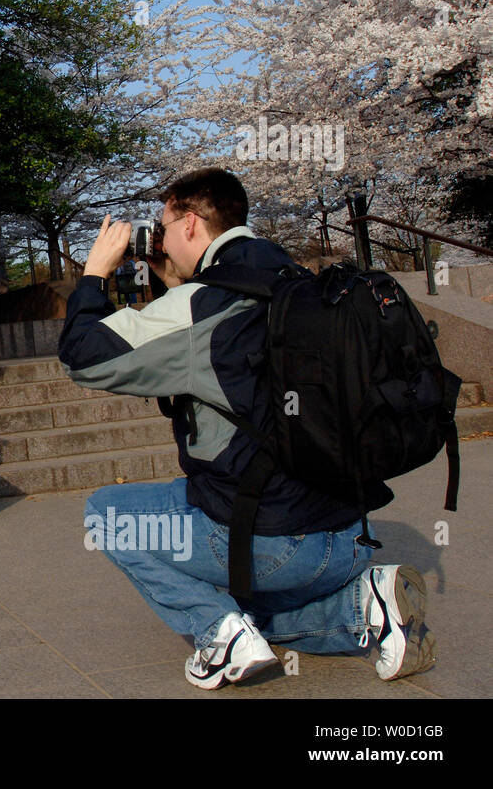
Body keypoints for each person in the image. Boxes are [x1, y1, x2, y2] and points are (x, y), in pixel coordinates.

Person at [58, 167, 434, 689]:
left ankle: (219, 635)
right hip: (347, 533)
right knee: (253, 612)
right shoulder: (295, 280)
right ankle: (362, 603)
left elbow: (84, 357)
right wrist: (179, 285)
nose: (158, 240)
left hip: (271, 545)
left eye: (163, 228)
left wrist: (95, 274)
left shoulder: (199, 306)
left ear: (190, 224)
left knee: (106, 513)